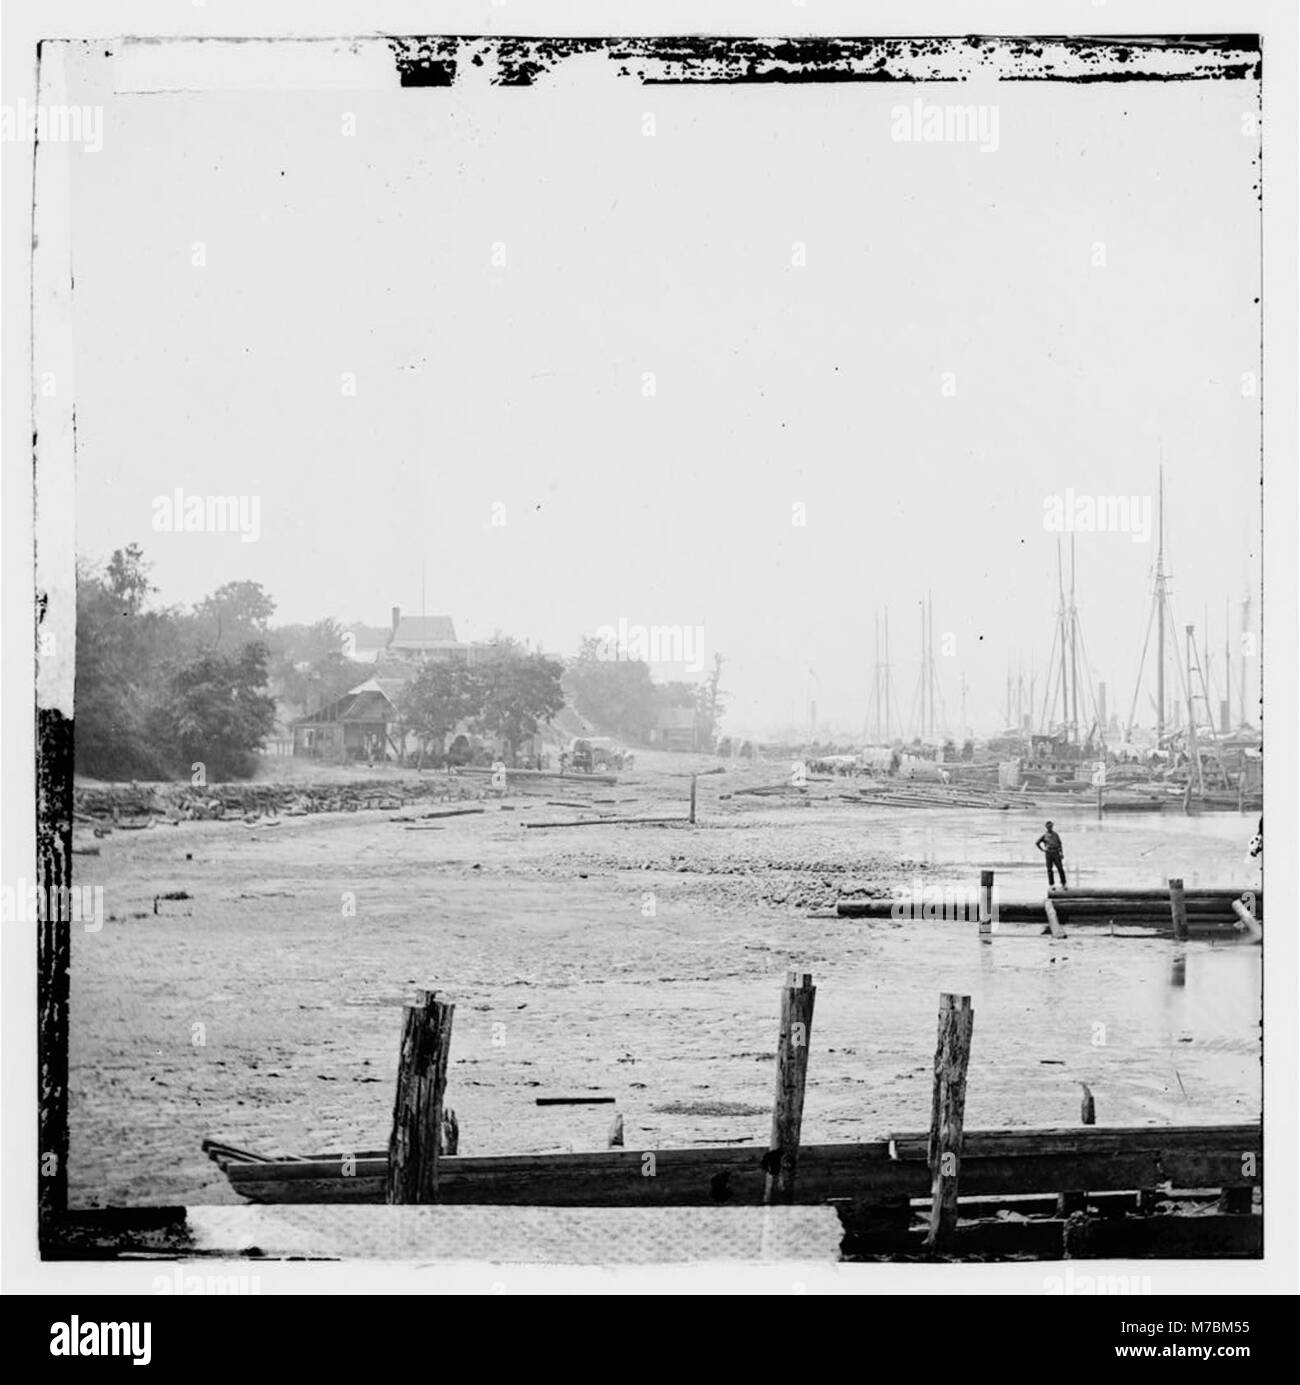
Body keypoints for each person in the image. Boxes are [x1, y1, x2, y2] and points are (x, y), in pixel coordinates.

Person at [1035, 820, 1067, 888]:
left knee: (1060, 868)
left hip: (1056, 852)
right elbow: (1037, 842)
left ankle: (1063, 883)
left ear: (1052, 826)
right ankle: (1051, 884)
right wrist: (1042, 850)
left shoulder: (1055, 834)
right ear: (1046, 827)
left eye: (1051, 826)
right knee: (1049, 869)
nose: (1050, 827)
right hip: (1048, 853)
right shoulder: (1044, 835)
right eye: (1048, 826)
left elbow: (1060, 844)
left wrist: (1061, 853)